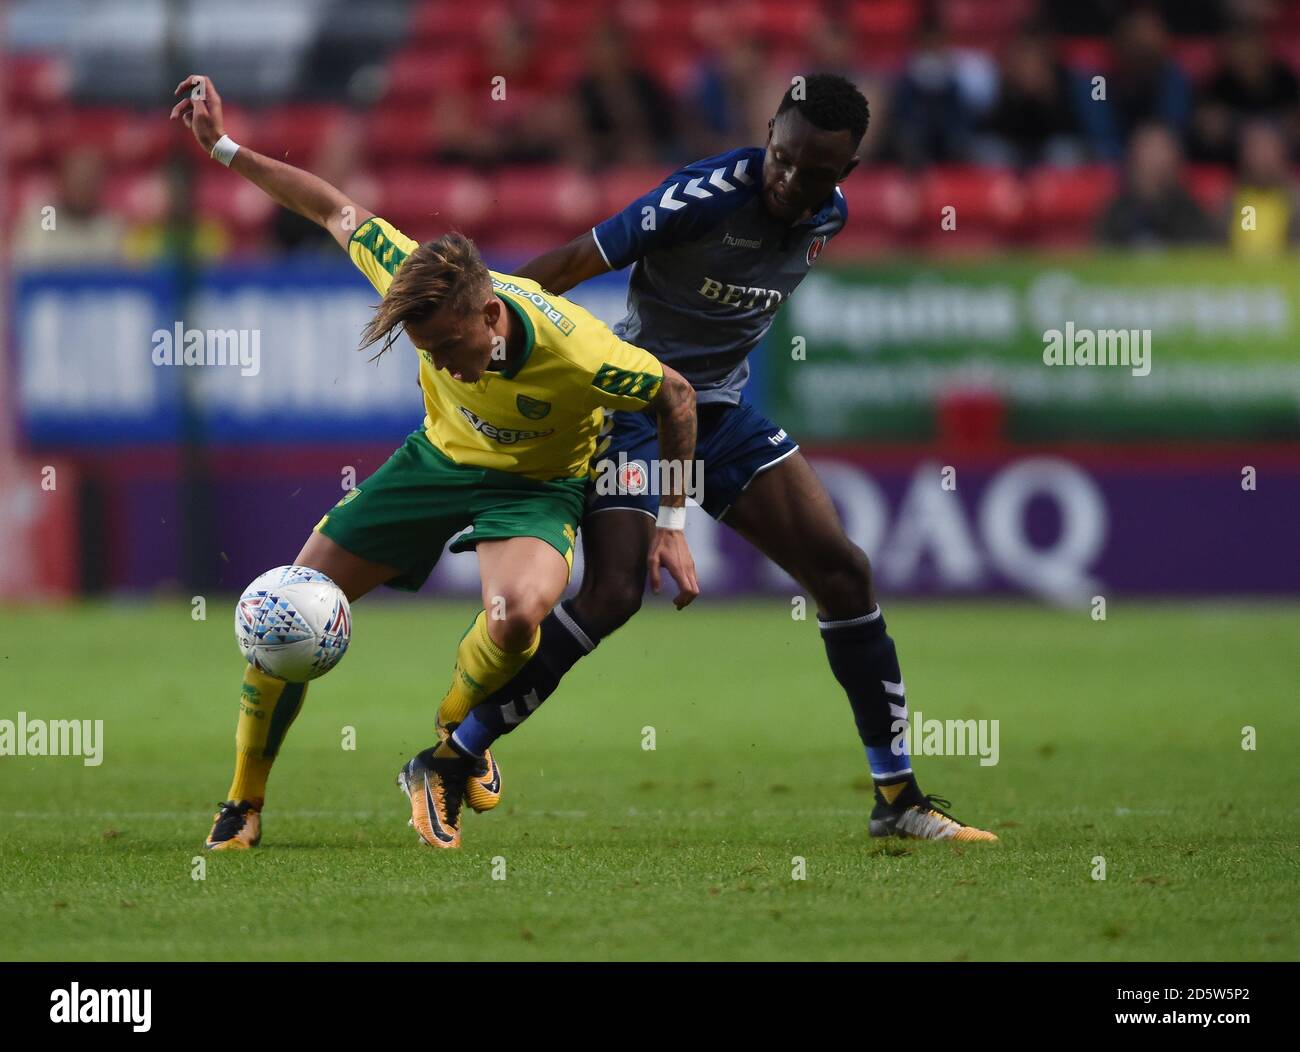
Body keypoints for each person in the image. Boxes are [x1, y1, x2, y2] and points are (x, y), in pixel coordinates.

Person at [450, 74, 999, 843]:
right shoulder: (700, 197)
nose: (789, 179)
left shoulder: (826, 218)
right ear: (768, 130)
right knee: (612, 594)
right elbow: (576, 259)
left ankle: (897, 796)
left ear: (847, 175)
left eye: (814, 172)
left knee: (842, 571)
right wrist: (480, 326)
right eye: (782, 156)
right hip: (637, 407)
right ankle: (456, 752)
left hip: (720, 414)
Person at [170, 74, 698, 851]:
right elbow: (328, 205)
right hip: (436, 461)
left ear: (490, 315)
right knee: (288, 611)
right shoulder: (414, 275)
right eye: (428, 355)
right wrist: (221, 145)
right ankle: (243, 802)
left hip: (539, 484)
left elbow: (678, 397)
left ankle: (456, 734)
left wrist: (674, 520)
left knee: (517, 618)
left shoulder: (579, 350)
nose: (446, 365)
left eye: (452, 348)